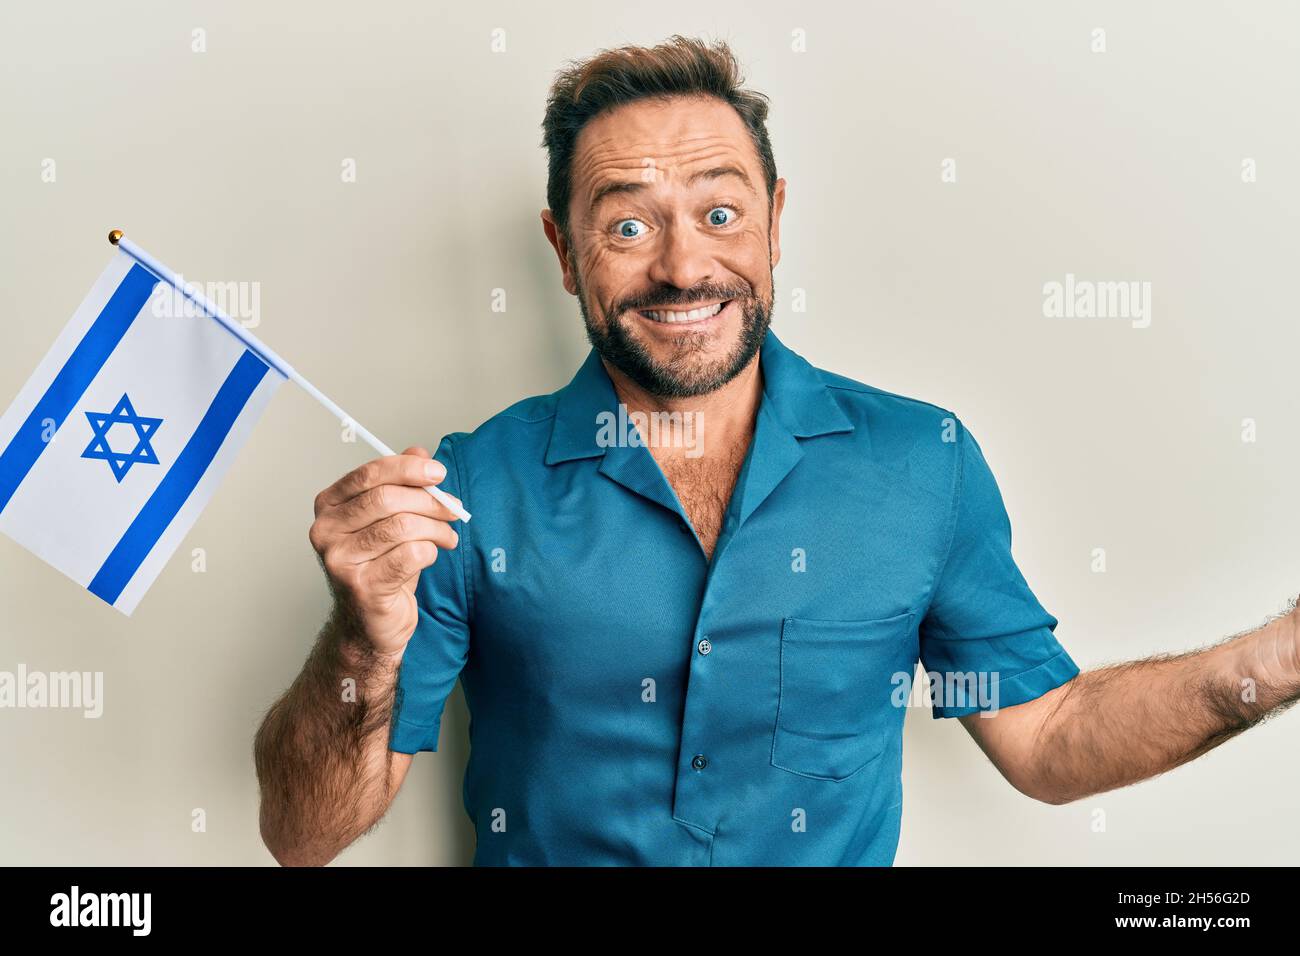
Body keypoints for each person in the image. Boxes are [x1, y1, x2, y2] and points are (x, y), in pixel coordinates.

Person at [254, 35, 1300, 866]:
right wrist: (361, 637)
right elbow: (304, 836)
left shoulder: (920, 463)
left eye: (718, 211)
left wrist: (1278, 656)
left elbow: (1048, 734)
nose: (682, 265)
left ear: (775, 222)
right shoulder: (466, 488)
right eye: (626, 227)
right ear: (562, 252)